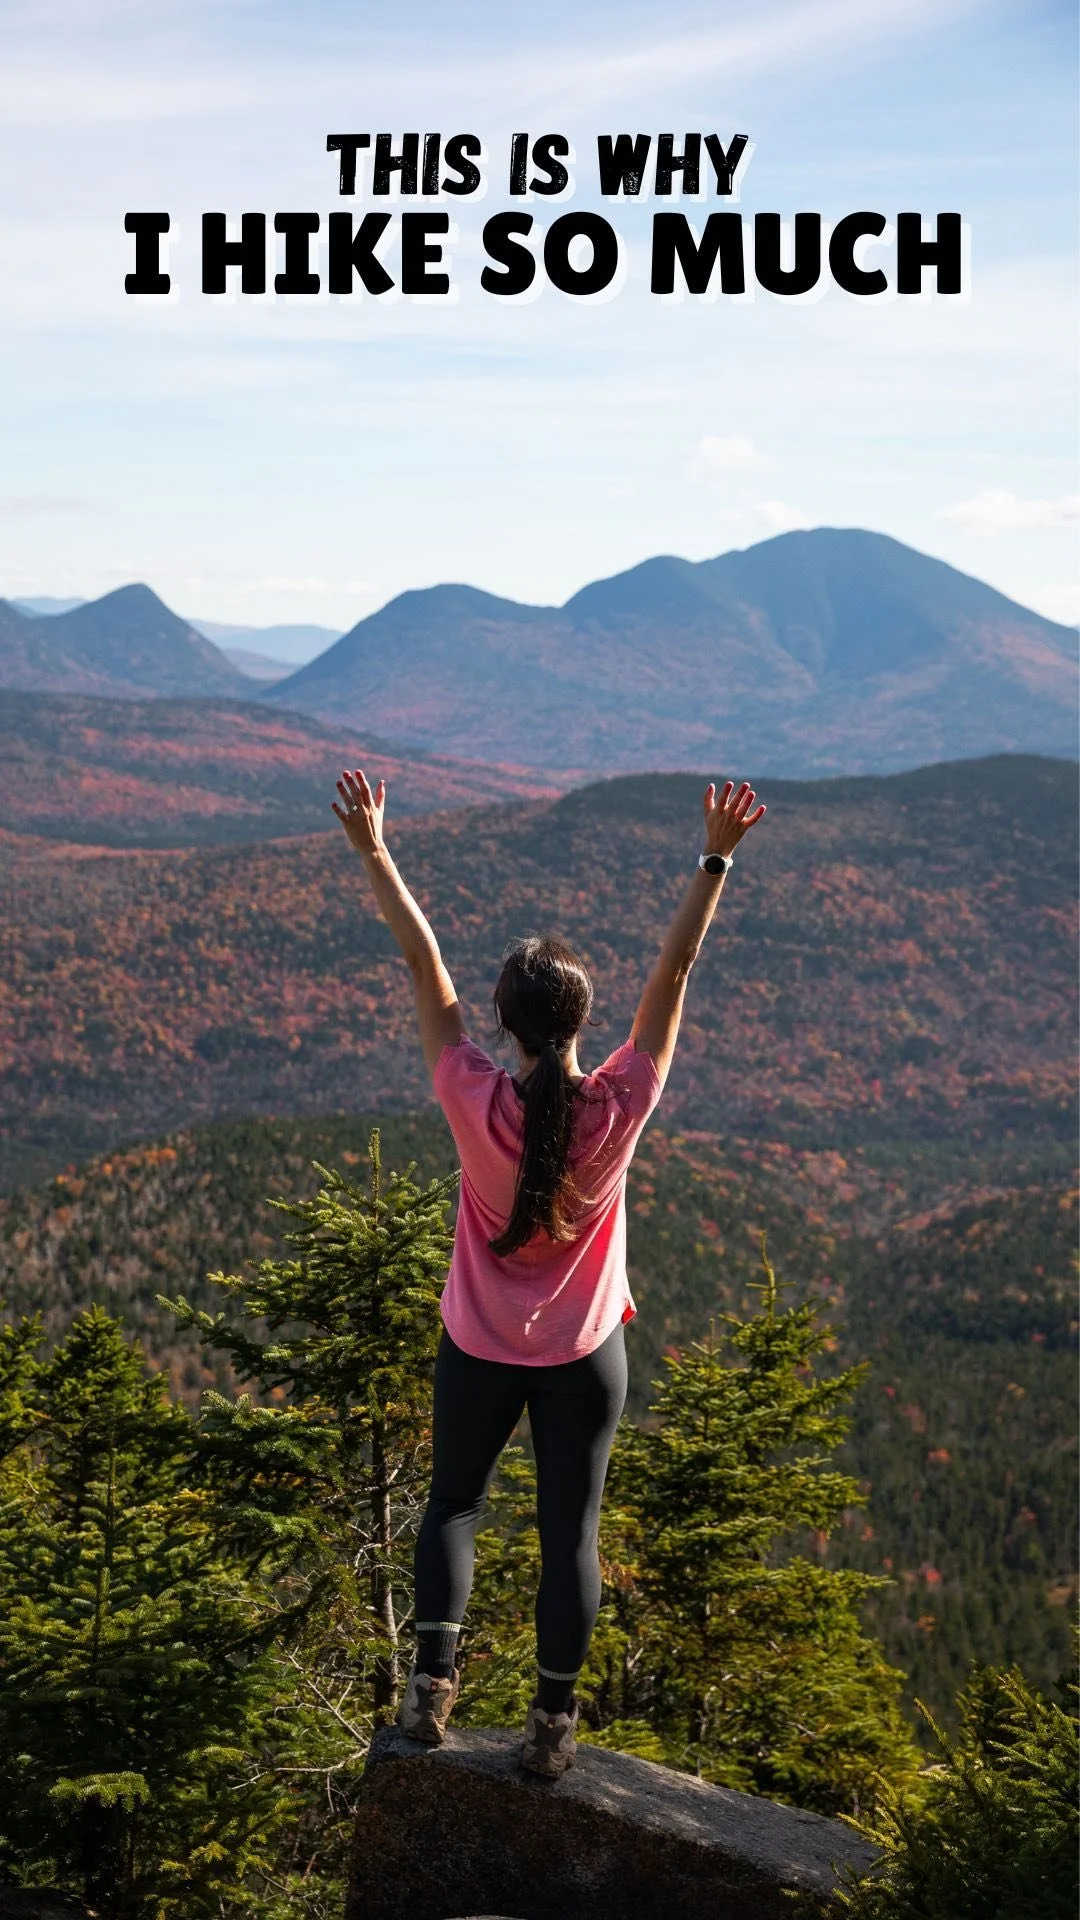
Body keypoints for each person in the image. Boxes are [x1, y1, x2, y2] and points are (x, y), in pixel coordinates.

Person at [332, 766, 767, 1777]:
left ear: (504, 1022)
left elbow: (420, 957)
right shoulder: (620, 1106)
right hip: (585, 1357)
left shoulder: (467, 1091)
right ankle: (552, 1733)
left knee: (453, 1508)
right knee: (573, 1530)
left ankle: (431, 1698)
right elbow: (678, 973)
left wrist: (374, 846)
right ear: (579, 1023)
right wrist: (714, 855)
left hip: (477, 1348)